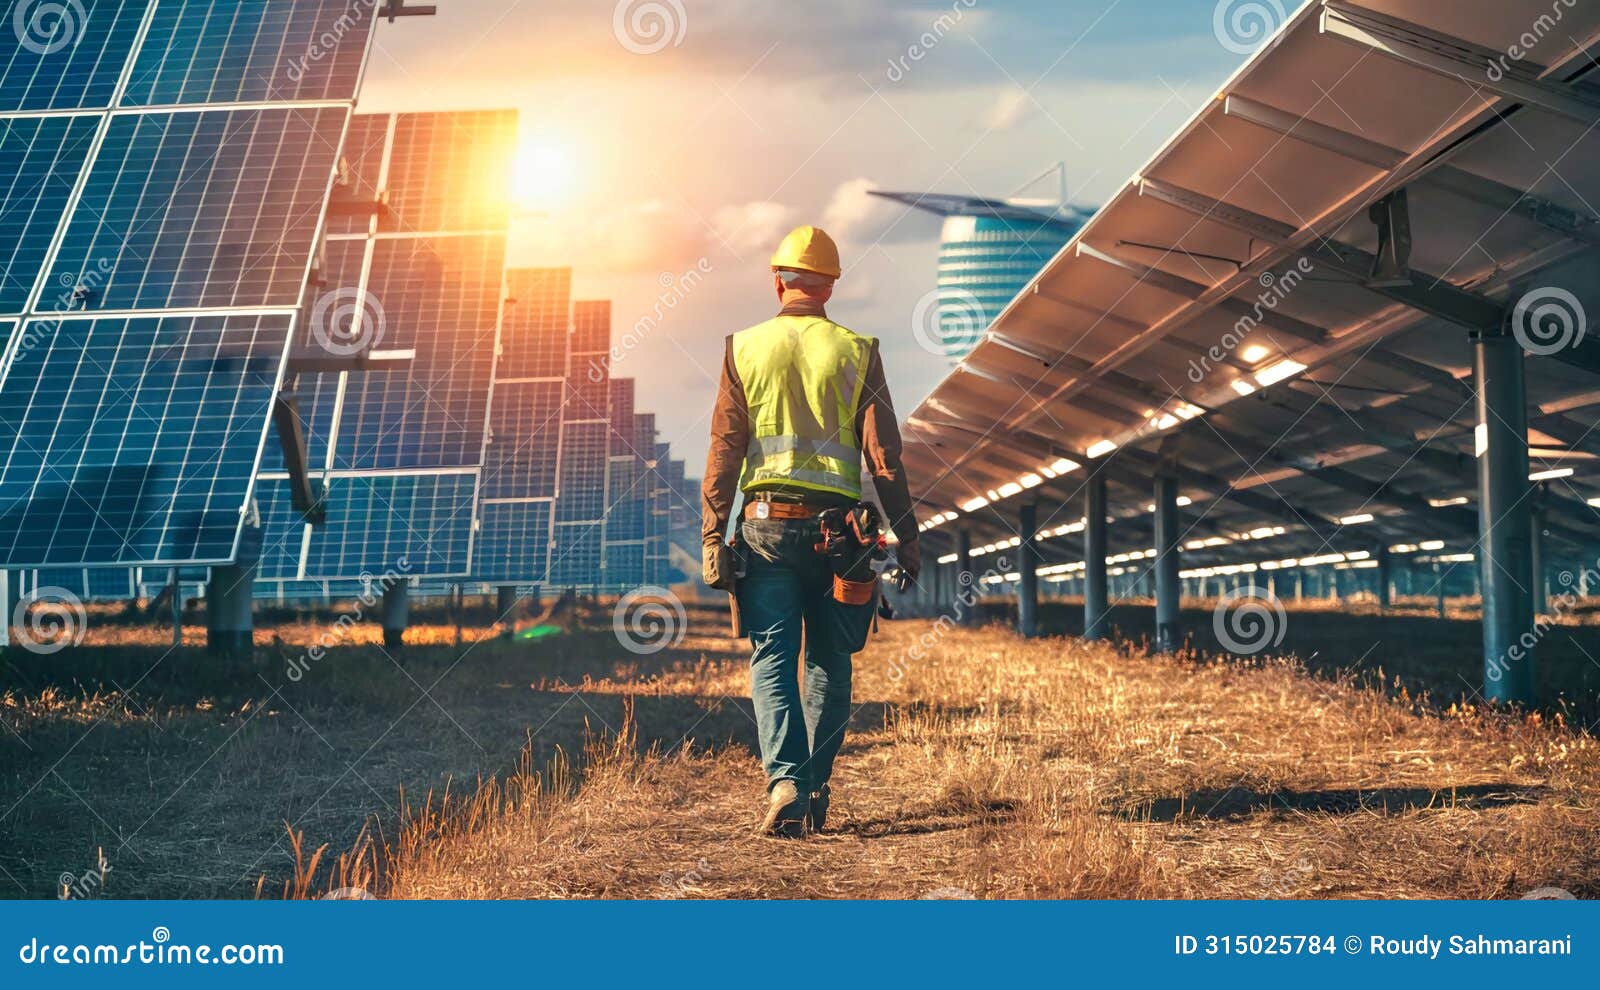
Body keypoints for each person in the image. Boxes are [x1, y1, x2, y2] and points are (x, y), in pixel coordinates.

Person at [701, 225, 921, 838]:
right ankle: (816, 785)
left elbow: (725, 449)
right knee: (830, 659)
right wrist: (909, 535)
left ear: (778, 281)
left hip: (765, 527)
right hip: (842, 539)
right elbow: (886, 458)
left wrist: (712, 535)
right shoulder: (857, 349)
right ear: (830, 286)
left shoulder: (741, 347)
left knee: (772, 655)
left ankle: (786, 783)